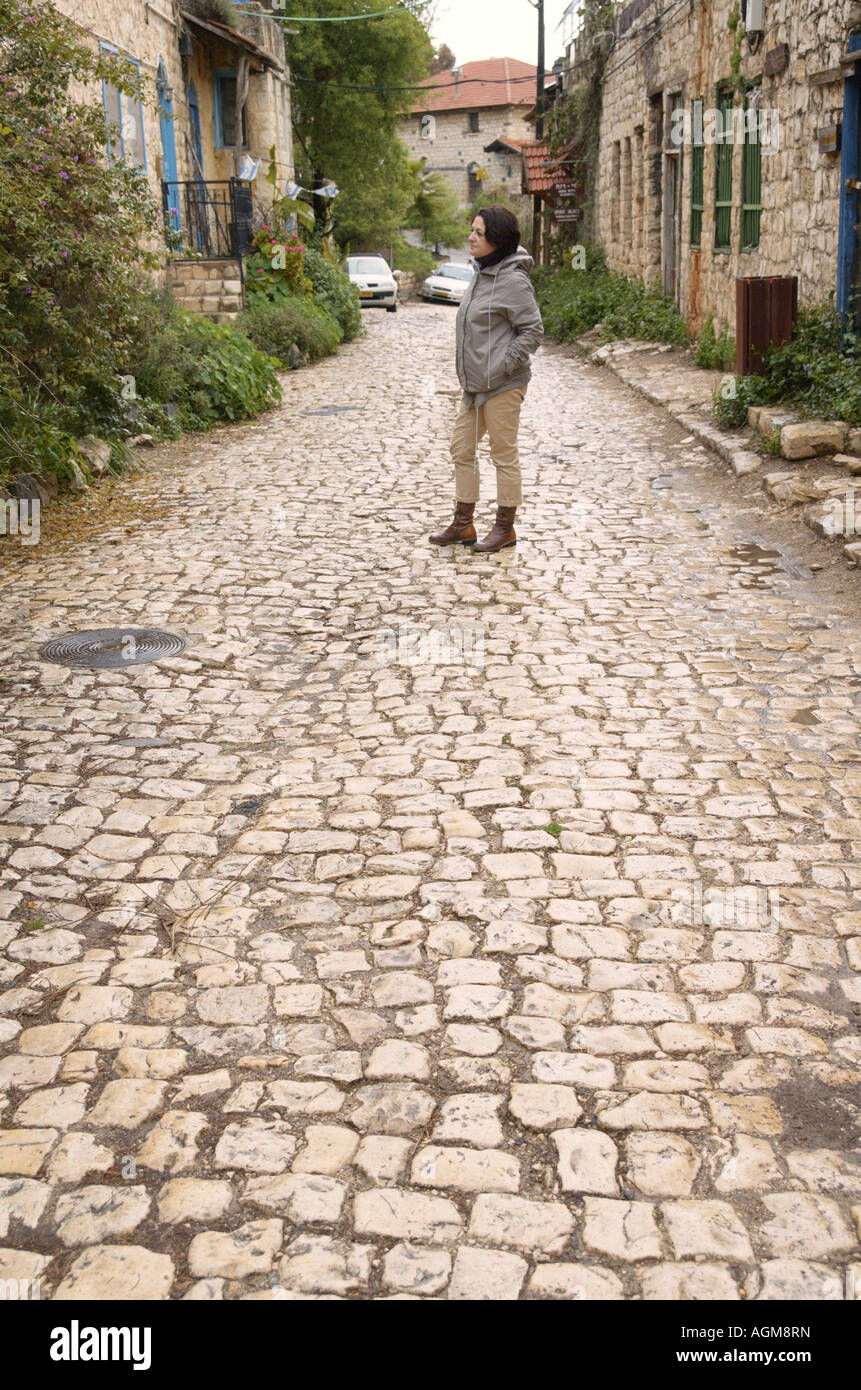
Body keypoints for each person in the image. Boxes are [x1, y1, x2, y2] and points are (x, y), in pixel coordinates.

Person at [429, 204, 544, 553]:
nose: (471, 237)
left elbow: (533, 331)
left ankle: (505, 528)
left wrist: (501, 366)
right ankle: (463, 524)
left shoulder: (513, 280)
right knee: (461, 448)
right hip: (474, 387)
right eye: (472, 230)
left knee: (503, 454)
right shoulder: (480, 273)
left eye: (479, 233)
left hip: (504, 385)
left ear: (497, 238)